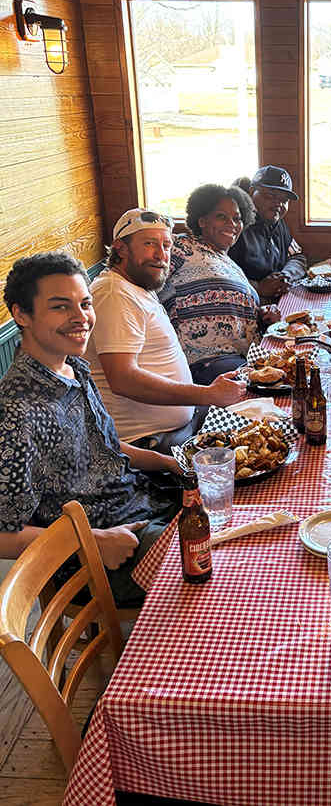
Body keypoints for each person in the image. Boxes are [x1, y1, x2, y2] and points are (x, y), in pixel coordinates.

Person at [0, 252, 184, 606]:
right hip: (97, 555)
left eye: (85, 304)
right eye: (60, 307)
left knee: (236, 505)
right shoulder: (16, 411)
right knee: (215, 564)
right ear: (21, 314)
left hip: (143, 501)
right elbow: (4, 534)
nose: (80, 317)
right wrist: (93, 541)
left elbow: (106, 447)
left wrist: (170, 463)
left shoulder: (75, 367)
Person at [85, 209, 245, 453]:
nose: (161, 255)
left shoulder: (135, 287)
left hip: (179, 427)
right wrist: (206, 394)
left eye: (167, 245)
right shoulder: (113, 293)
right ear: (120, 248)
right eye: (149, 244)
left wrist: (209, 395)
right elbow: (123, 380)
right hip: (148, 444)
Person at [158, 184, 280, 384]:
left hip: (245, 358)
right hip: (204, 363)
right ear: (202, 221)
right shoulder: (181, 247)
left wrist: (262, 314)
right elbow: (143, 277)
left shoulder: (230, 264)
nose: (232, 224)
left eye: (237, 218)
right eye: (221, 217)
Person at [228, 166, 307, 302]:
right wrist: (257, 287)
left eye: (284, 200)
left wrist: (286, 276)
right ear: (251, 192)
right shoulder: (234, 226)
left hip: (277, 301)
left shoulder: (278, 223)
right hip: (246, 301)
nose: (278, 204)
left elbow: (297, 257)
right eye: (271, 196)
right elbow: (219, 274)